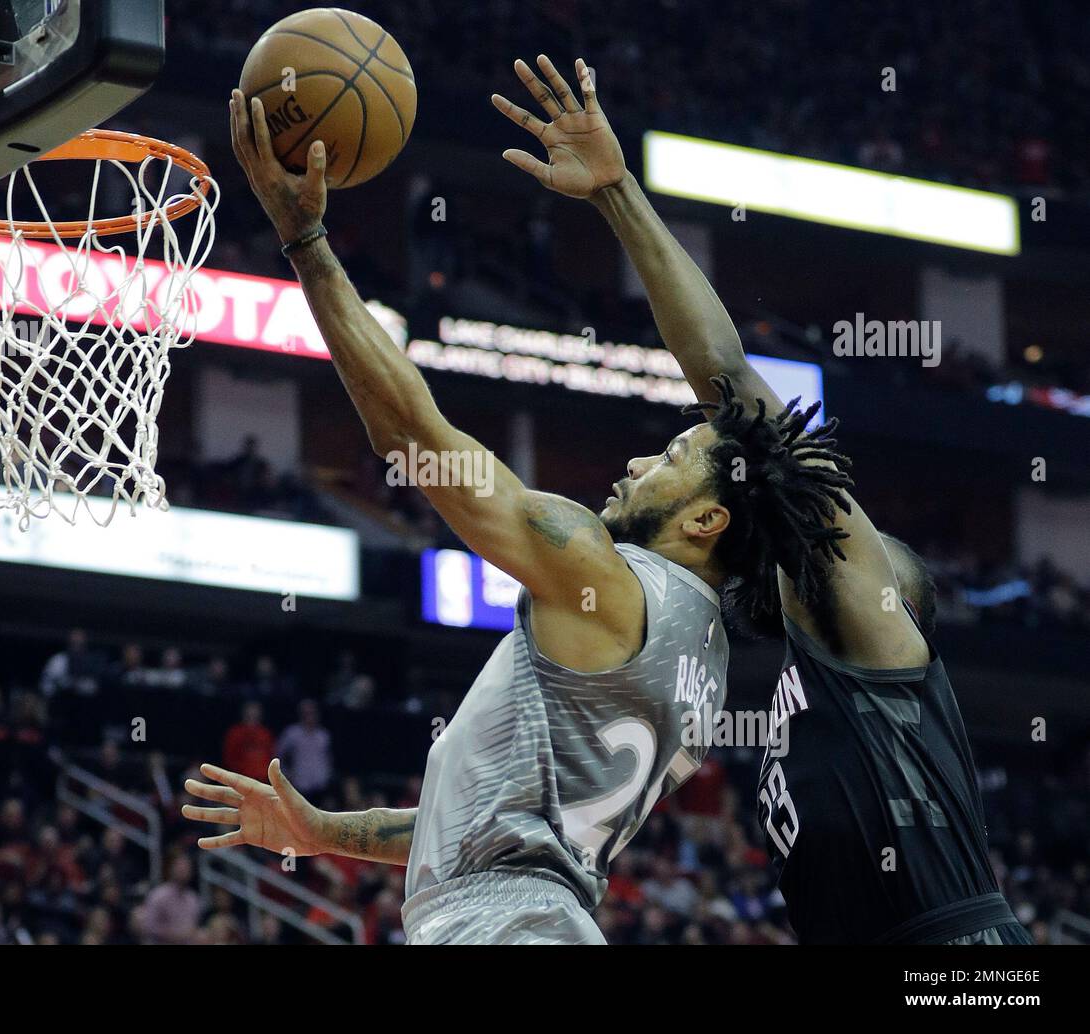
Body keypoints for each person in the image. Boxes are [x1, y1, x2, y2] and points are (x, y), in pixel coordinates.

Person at [183, 78, 854, 945]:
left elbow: (412, 433)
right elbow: (499, 829)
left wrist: (305, 239)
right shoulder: (709, 676)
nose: (639, 463)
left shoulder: (600, 575)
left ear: (706, 521)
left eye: (673, 460)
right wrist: (322, 833)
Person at [489, 57, 1024, 944]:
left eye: (867, 542)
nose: (847, 536)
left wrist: (619, 194)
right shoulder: (794, 678)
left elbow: (730, 381)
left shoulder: (873, 634)